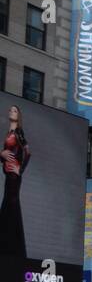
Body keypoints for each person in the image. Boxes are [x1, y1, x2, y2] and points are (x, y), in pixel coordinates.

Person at [0, 105, 33, 256]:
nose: (11, 111)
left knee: (11, 205)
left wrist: (20, 170)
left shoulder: (19, 132)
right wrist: (2, 154)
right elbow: (6, 155)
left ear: (18, 115)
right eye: (10, 110)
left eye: (14, 110)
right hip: (8, 175)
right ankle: (8, 245)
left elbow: (28, 152)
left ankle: (13, 248)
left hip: (14, 177)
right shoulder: (9, 133)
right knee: (8, 204)